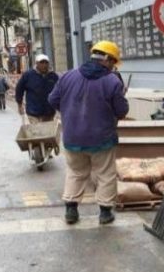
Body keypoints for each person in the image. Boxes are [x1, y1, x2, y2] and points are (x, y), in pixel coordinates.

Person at [48, 40, 129, 225]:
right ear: (106, 59)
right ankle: (105, 213)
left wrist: (69, 112)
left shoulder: (68, 76)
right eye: (113, 62)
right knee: (105, 173)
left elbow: (53, 100)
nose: (113, 66)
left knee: (76, 172)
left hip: (72, 137)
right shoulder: (112, 81)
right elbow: (122, 111)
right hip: (102, 139)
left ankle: (71, 210)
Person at [15, 54, 59, 123]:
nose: (44, 65)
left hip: (49, 112)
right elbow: (19, 89)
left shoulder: (53, 76)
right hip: (33, 112)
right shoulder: (28, 75)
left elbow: (59, 91)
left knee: (48, 133)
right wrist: (19, 104)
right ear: (36, 63)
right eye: (41, 62)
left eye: (46, 62)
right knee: (37, 132)